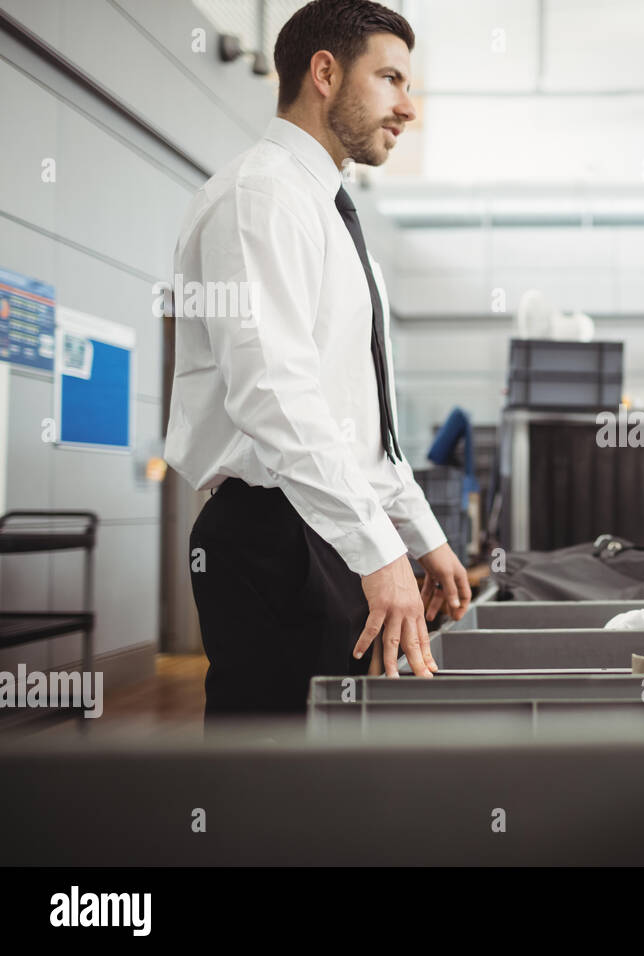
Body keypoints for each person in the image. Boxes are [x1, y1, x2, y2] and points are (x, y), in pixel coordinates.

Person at [164, 0, 470, 720]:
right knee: (275, 774)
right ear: (325, 73)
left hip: (324, 524)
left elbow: (357, 420)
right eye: (391, 79)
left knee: (331, 762)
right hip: (276, 539)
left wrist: (422, 538)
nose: (407, 108)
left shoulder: (323, 208)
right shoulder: (260, 195)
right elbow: (272, 394)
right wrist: (376, 549)